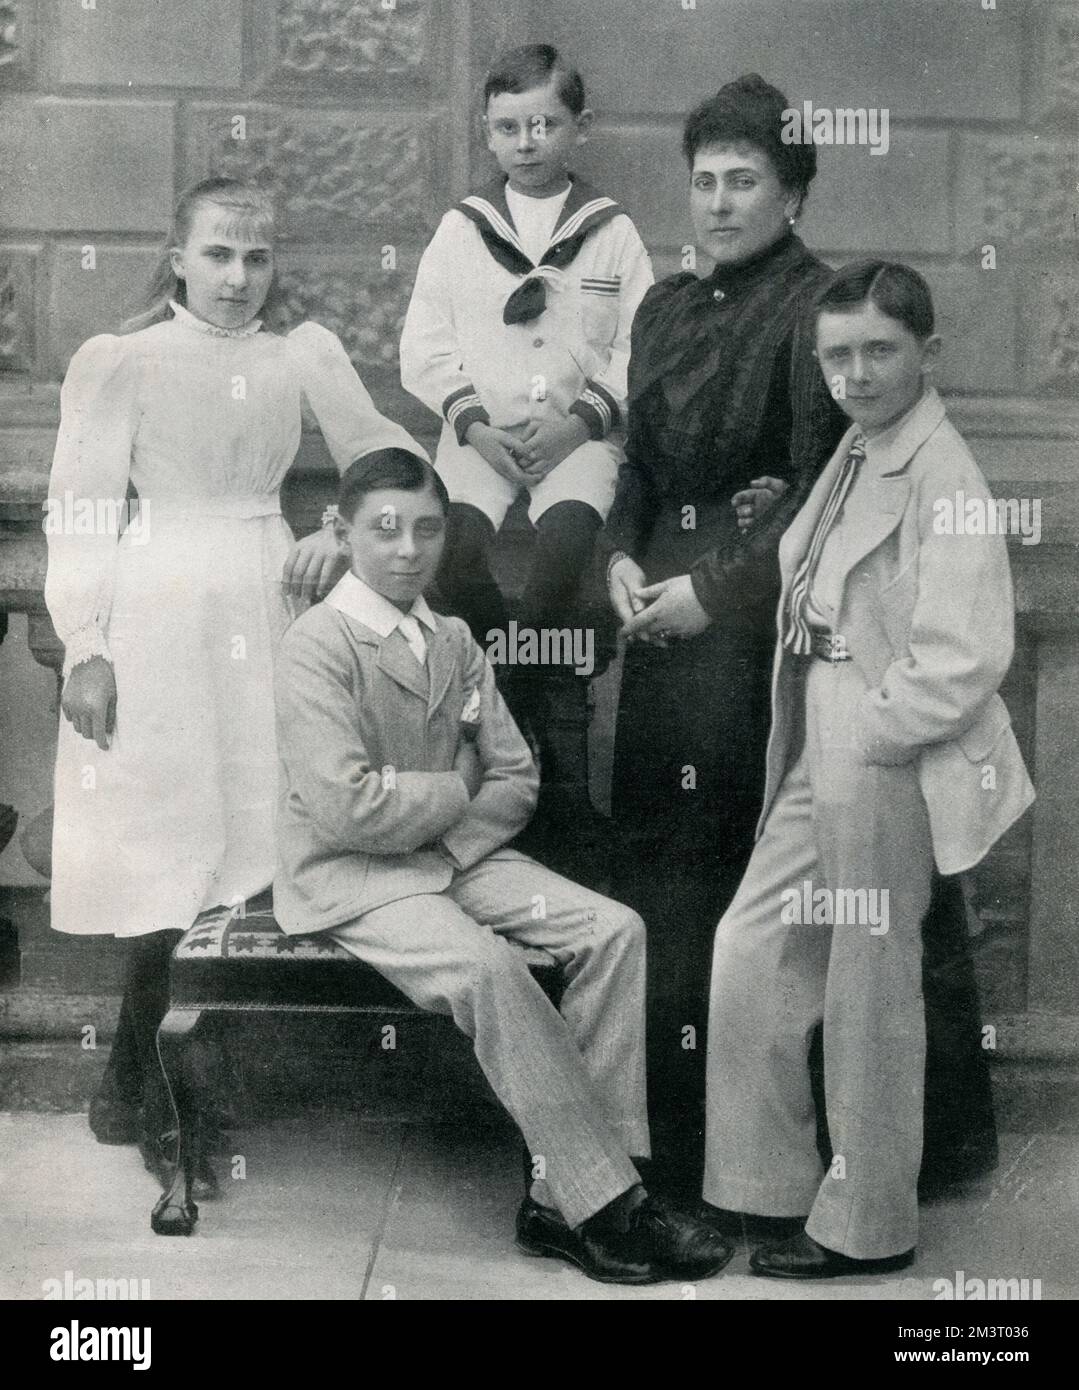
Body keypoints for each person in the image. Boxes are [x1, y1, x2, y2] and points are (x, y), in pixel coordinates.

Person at [603, 73, 999, 1202]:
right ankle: (684, 1147)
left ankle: (848, 1167)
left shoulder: (822, 312)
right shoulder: (665, 308)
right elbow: (635, 462)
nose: (719, 203)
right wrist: (621, 562)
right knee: (672, 887)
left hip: (753, 644)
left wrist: (705, 596)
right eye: (704, 182)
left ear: (792, 194)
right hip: (657, 622)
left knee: (771, 904)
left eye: (745, 183)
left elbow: (813, 497)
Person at [271, 448, 732, 1285]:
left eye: (426, 530)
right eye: (384, 530)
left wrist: (445, 833)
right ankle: (612, 1208)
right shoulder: (317, 646)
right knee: (486, 970)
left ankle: (566, 1199)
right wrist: (455, 785)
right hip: (348, 879)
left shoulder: (451, 638)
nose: (407, 550)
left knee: (614, 929)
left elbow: (515, 776)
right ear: (342, 533)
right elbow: (346, 808)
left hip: (451, 858)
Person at [44, 176, 424, 1189]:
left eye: (256, 258)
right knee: (164, 846)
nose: (235, 277)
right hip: (155, 605)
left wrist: (342, 527)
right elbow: (79, 507)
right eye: (216, 254)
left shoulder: (297, 355)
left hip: (264, 602)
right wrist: (84, 642)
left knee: (245, 842)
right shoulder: (122, 360)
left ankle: (137, 1084)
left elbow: (390, 458)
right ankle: (164, 1103)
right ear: (177, 255)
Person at [703, 261, 1035, 1277]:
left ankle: (862, 1223)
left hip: (880, 744)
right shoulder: (862, 443)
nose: (854, 372)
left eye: (877, 351)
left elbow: (967, 656)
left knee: (866, 985)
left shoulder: (945, 473)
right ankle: (762, 1187)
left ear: (924, 353)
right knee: (751, 949)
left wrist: (872, 734)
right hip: (819, 719)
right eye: (836, 355)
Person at [399, 42, 653, 791]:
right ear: (485, 132)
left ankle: (524, 702)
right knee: (452, 552)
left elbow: (641, 344)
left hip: (575, 434)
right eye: (508, 127)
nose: (527, 142)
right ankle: (506, 690)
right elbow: (425, 345)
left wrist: (580, 423)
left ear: (579, 128)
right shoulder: (461, 230)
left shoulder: (611, 232)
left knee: (562, 552)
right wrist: (474, 425)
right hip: (482, 435)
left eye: (544, 124)